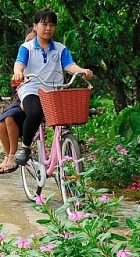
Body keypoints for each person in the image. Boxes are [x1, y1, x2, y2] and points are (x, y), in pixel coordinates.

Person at [13, 9, 93, 166]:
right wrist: (18, 73)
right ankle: (25, 147)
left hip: (55, 90)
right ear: (35, 26)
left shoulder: (60, 48)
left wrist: (82, 71)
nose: (48, 28)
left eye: (52, 25)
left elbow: (69, 65)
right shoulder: (27, 47)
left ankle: (67, 149)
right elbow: (19, 63)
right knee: (35, 114)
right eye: (44, 24)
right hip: (32, 88)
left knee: (66, 118)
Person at [0, 27, 36, 174]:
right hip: (24, 97)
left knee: (10, 117)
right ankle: (8, 156)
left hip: (39, 97)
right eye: (27, 41)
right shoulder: (23, 61)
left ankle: (12, 155)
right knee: (1, 122)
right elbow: (18, 85)